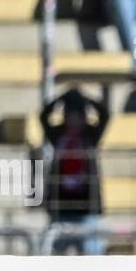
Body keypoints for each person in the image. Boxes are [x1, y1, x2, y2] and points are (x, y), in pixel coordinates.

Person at [39, 88, 108, 255]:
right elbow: (43, 116)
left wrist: (85, 98)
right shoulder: (58, 135)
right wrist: (63, 97)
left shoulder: (90, 136)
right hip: (62, 208)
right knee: (57, 256)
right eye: (70, 115)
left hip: (86, 208)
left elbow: (105, 115)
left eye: (77, 115)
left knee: (91, 256)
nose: (73, 120)